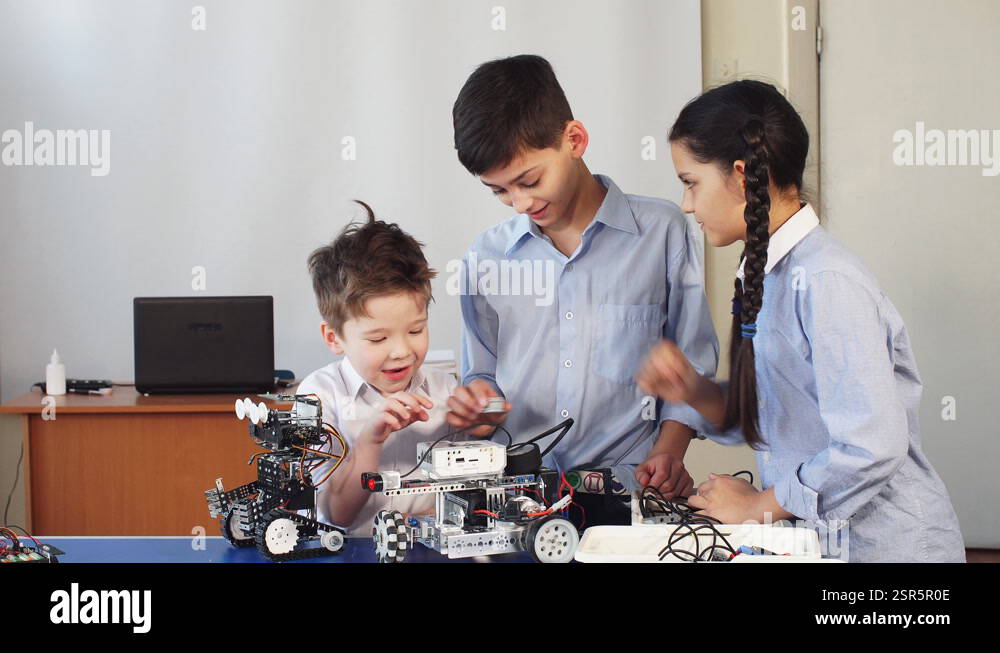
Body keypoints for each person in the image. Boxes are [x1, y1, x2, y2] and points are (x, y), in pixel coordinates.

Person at [637, 79, 964, 562]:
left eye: (691, 183)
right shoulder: (766, 273)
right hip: (822, 545)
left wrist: (759, 506)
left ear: (742, 174)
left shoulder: (827, 281)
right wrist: (694, 390)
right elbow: (784, 417)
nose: (687, 205)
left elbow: (871, 445)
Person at [447, 54, 720, 523]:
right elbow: (483, 372)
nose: (521, 202)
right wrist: (480, 407)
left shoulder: (663, 233)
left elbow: (691, 365)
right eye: (500, 192)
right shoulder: (485, 256)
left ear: (574, 139)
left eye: (530, 180)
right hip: (516, 502)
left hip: (631, 494)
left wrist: (670, 452)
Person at [299, 201, 500, 536]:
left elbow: (473, 488)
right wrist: (368, 442)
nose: (402, 351)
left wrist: (487, 418)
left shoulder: (445, 391)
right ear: (334, 338)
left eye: (416, 330)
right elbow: (336, 515)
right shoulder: (319, 397)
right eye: (378, 338)